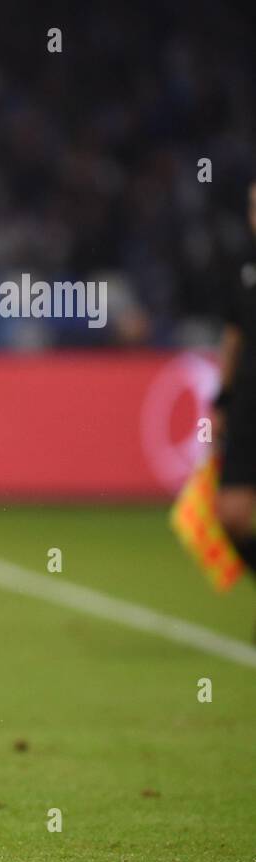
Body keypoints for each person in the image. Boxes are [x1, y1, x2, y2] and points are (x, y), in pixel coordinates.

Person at [213, 179, 256, 605]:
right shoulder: (243, 268)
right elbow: (232, 340)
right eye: (251, 206)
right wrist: (221, 400)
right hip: (247, 404)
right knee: (231, 516)